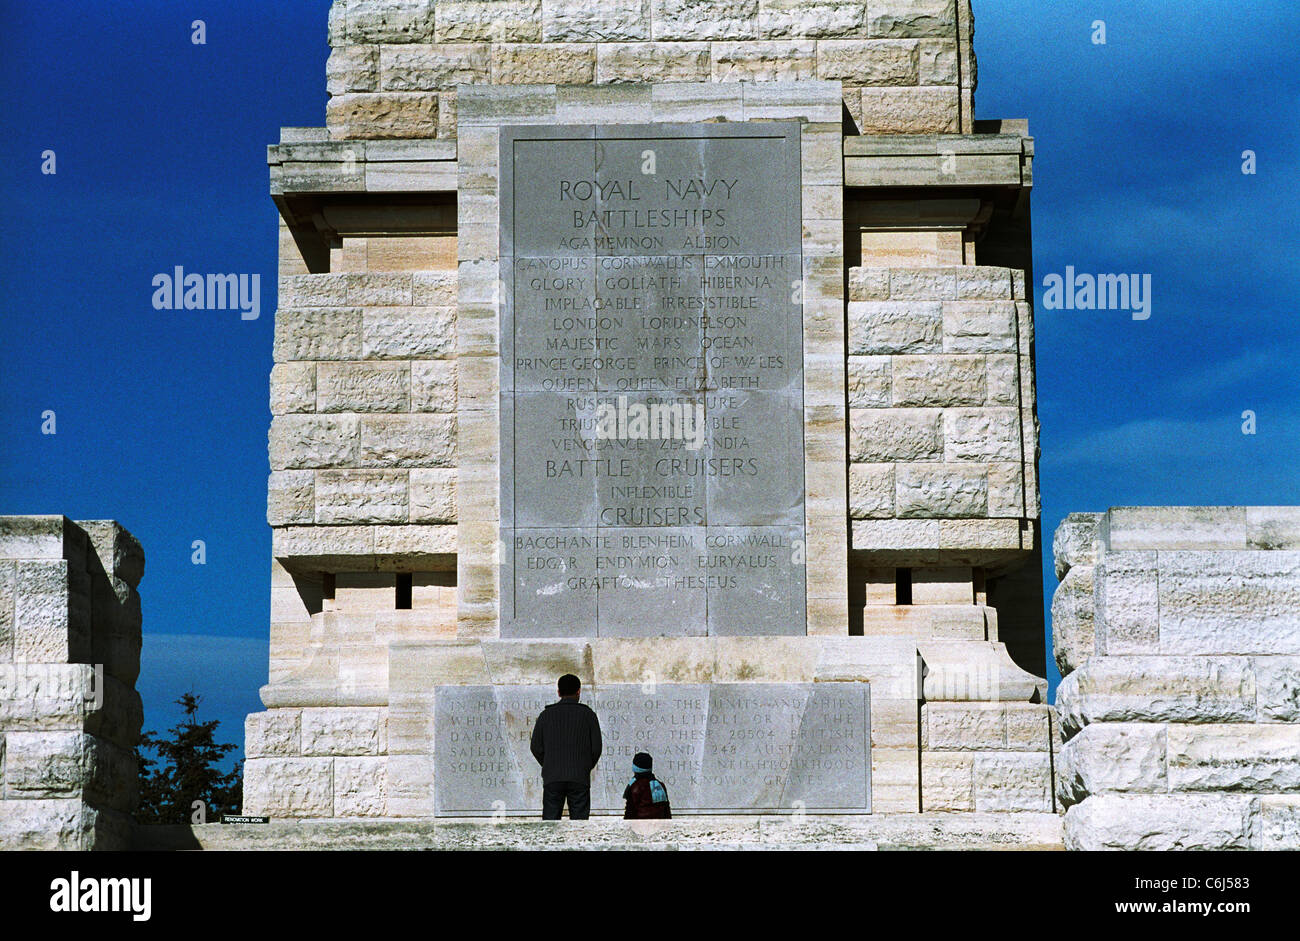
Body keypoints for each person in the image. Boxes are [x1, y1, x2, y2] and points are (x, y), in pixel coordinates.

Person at [529, 674, 602, 820]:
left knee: (550, 821)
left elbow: (536, 747)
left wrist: (550, 763)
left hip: (553, 776)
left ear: (559, 692)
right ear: (578, 691)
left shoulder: (546, 715)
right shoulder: (588, 715)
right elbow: (596, 748)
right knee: (579, 823)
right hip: (579, 776)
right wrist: (584, 765)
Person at [622, 751, 672, 819]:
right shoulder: (660, 785)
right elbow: (666, 811)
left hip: (641, 826)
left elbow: (630, 812)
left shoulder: (635, 787)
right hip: (659, 826)